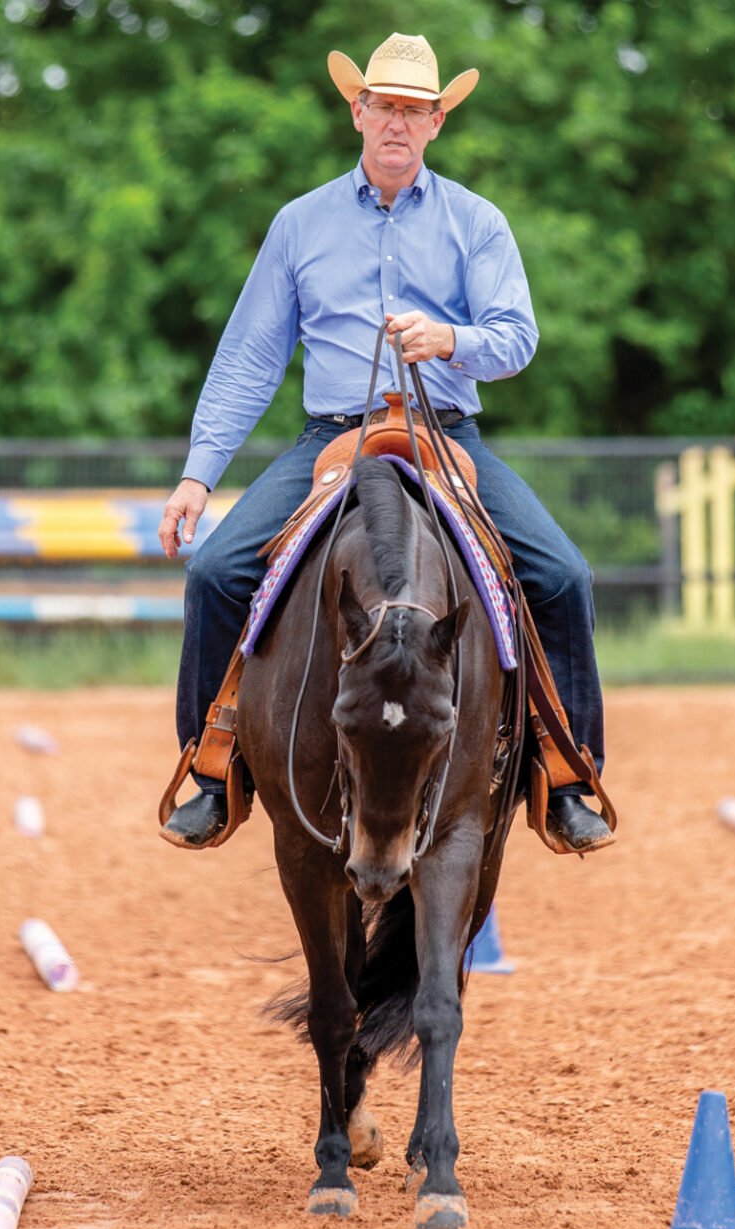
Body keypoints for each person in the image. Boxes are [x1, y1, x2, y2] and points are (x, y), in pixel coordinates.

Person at [158, 31, 612, 855]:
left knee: (563, 576)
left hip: (445, 435)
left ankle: (565, 772)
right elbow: (250, 358)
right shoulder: (299, 224)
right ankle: (214, 765)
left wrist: (447, 338)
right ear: (356, 111)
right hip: (332, 436)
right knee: (216, 572)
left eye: (415, 110)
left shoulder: (477, 221)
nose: (397, 123)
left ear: (437, 122)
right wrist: (198, 474)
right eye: (384, 107)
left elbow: (515, 338)